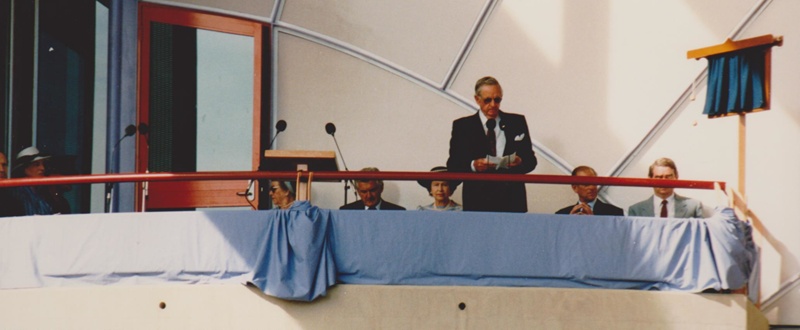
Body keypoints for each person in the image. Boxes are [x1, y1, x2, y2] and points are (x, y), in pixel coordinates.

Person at [447, 76, 537, 212]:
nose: (493, 105)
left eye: (497, 100)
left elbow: (531, 161)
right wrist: (473, 165)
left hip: (512, 200)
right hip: (477, 200)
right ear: (477, 99)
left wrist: (520, 161)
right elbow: (453, 165)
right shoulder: (462, 126)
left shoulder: (517, 122)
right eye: (487, 100)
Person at [628, 157, 703, 218]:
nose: (664, 181)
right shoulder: (636, 210)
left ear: (676, 177)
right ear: (649, 179)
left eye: (668, 177)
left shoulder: (694, 206)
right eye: (658, 177)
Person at [555, 166, 623, 216]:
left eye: (594, 183)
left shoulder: (615, 213)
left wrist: (593, 221)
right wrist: (568, 222)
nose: (592, 187)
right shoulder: (561, 214)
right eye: (586, 184)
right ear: (575, 188)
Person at [9, 146, 55, 215]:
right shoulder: (18, 193)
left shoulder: (41, 192)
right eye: (36, 165)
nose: (42, 168)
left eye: (43, 164)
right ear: (25, 169)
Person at [340, 167, 405, 210]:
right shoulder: (346, 211)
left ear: (381, 188)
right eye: (364, 192)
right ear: (358, 191)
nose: (369, 196)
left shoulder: (399, 212)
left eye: (373, 190)